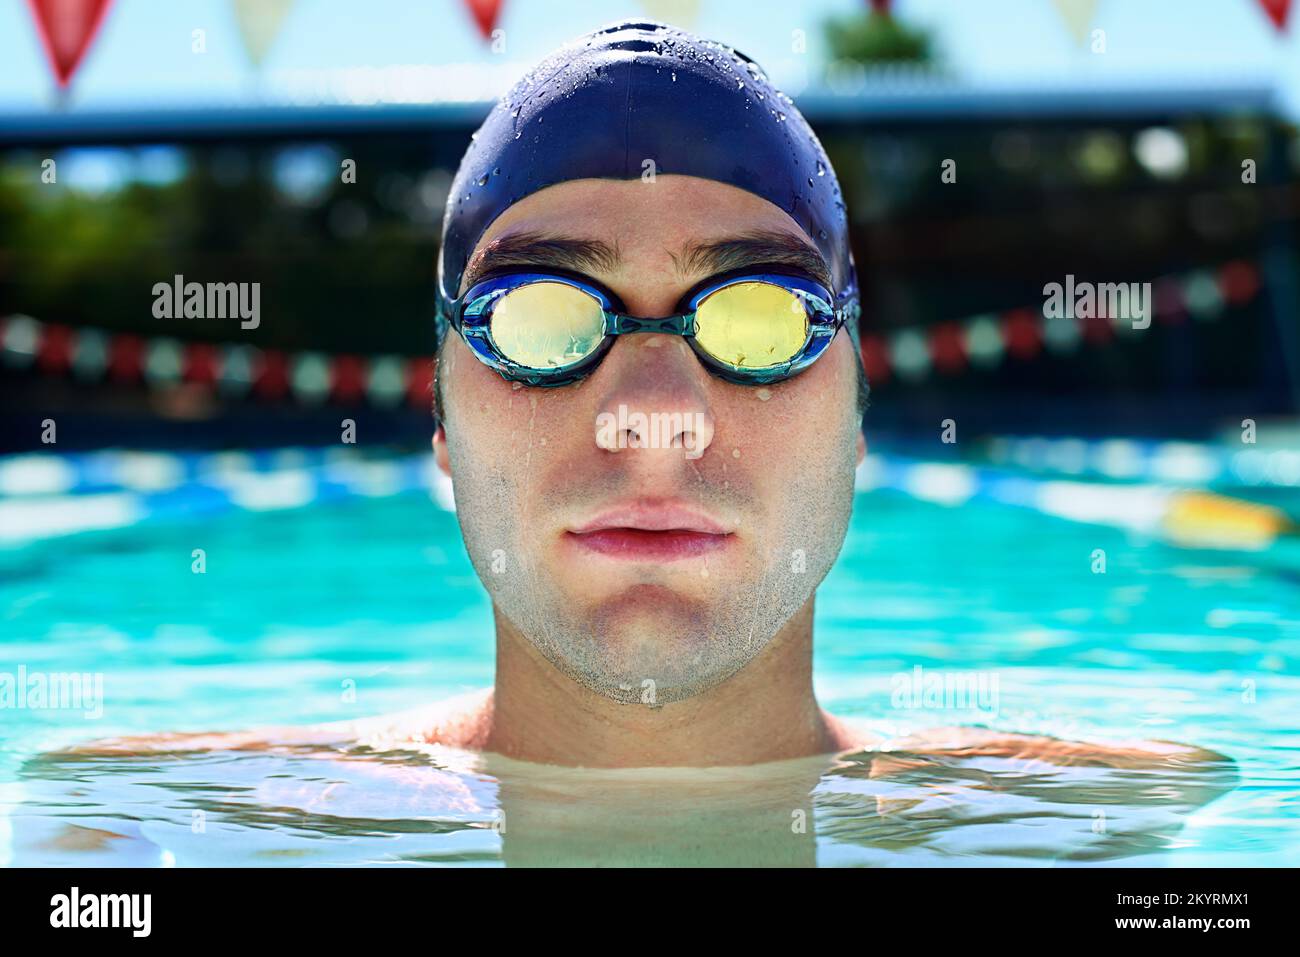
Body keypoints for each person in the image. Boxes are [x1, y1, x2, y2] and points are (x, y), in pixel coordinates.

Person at [80, 20, 1230, 781]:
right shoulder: (162, 824)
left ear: (858, 415)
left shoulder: (1112, 828)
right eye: (541, 316)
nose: (650, 414)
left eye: (757, 315)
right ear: (439, 417)